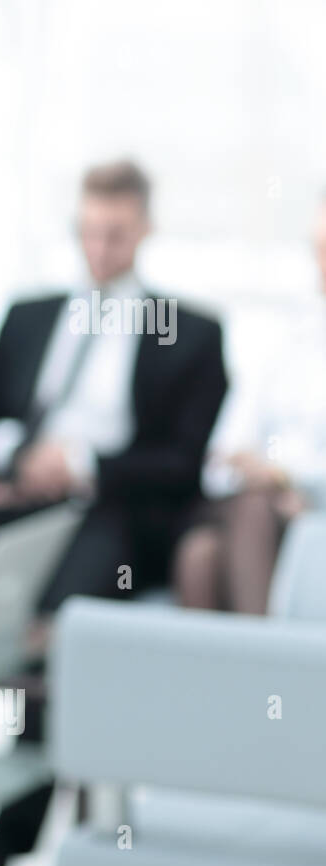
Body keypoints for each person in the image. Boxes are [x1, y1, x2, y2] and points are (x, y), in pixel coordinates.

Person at [0, 161, 228, 866]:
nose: (100, 247)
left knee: (57, 635)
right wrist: (14, 457)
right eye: (89, 230)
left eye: (117, 232)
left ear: (144, 230)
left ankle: (2, 851)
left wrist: (88, 464)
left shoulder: (190, 333)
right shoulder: (31, 314)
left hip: (113, 510)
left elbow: (185, 462)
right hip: (18, 497)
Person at [173, 193, 326, 613]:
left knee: (214, 546)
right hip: (259, 509)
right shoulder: (287, 340)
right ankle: (260, 669)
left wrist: (283, 475)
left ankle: (262, 670)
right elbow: (221, 461)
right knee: (201, 552)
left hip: (308, 513)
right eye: (318, 250)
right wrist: (268, 481)